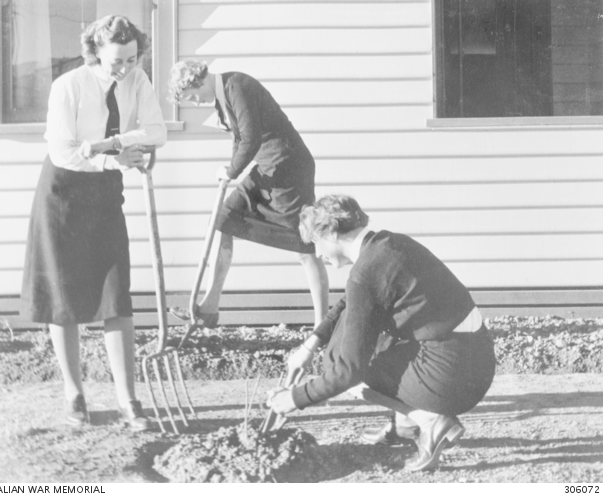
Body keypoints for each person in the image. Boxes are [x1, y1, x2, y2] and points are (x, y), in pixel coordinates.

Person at [267, 194, 496, 471]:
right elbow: (349, 303)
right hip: (474, 358)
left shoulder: (366, 273)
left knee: (339, 362)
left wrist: (293, 398)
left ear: (332, 232)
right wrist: (310, 344)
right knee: (350, 341)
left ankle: (427, 419)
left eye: (316, 243)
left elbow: (346, 372)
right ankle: (405, 426)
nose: (317, 254)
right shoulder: (387, 243)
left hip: (451, 377)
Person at [20, 15, 167, 431]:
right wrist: (109, 157)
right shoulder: (68, 86)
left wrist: (111, 144)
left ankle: (128, 401)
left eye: (132, 59)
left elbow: (156, 132)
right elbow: (63, 150)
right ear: (95, 52)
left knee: (115, 295)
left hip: (104, 194)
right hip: (63, 194)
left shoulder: (138, 81)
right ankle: (75, 397)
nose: (124, 68)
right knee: (63, 301)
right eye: (116, 60)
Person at [167, 60, 329, 329]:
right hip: (267, 168)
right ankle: (209, 308)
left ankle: (322, 326)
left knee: (304, 247)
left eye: (193, 96)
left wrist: (231, 171)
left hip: (289, 169)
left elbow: (251, 139)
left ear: (200, 80)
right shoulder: (223, 97)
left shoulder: (237, 86)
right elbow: (240, 141)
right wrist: (231, 171)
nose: (195, 102)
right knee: (225, 219)